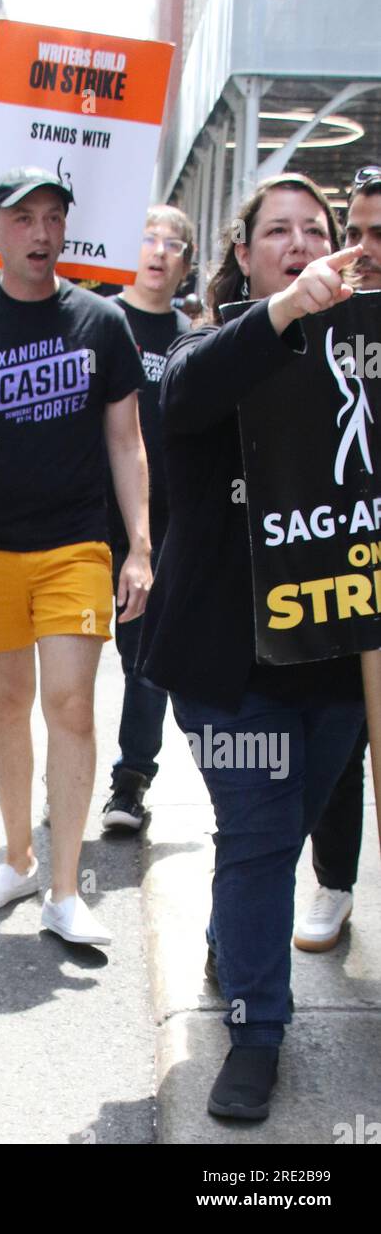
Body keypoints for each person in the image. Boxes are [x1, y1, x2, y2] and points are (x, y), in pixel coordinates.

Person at [138, 173, 366, 1120]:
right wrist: (281, 315)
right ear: (243, 255)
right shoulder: (208, 347)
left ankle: (236, 946)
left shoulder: (366, 354)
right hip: (233, 664)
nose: (300, 243)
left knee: (296, 818)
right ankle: (255, 1031)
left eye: (315, 230)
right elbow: (185, 393)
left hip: (340, 654)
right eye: (278, 231)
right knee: (263, 837)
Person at [0, 167, 150, 944]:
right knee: (3, 703)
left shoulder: (99, 322)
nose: (39, 232)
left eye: (52, 217)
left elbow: (125, 442)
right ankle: (19, 857)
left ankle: (65, 888)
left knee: (68, 704)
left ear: (65, 231)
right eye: (22, 217)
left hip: (76, 546)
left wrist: (140, 548)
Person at [294, 164, 381, 950]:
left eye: (377, 234)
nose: (362, 249)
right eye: (352, 231)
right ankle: (333, 884)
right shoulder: (323, 322)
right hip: (340, 564)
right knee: (341, 735)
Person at [101, 205, 194, 832]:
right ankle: (64, 766)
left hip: (162, 527)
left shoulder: (194, 336)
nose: (159, 252)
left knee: (145, 656)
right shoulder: (102, 319)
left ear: (187, 262)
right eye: (147, 239)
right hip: (86, 516)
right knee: (73, 658)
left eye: (173, 244)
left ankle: (131, 780)